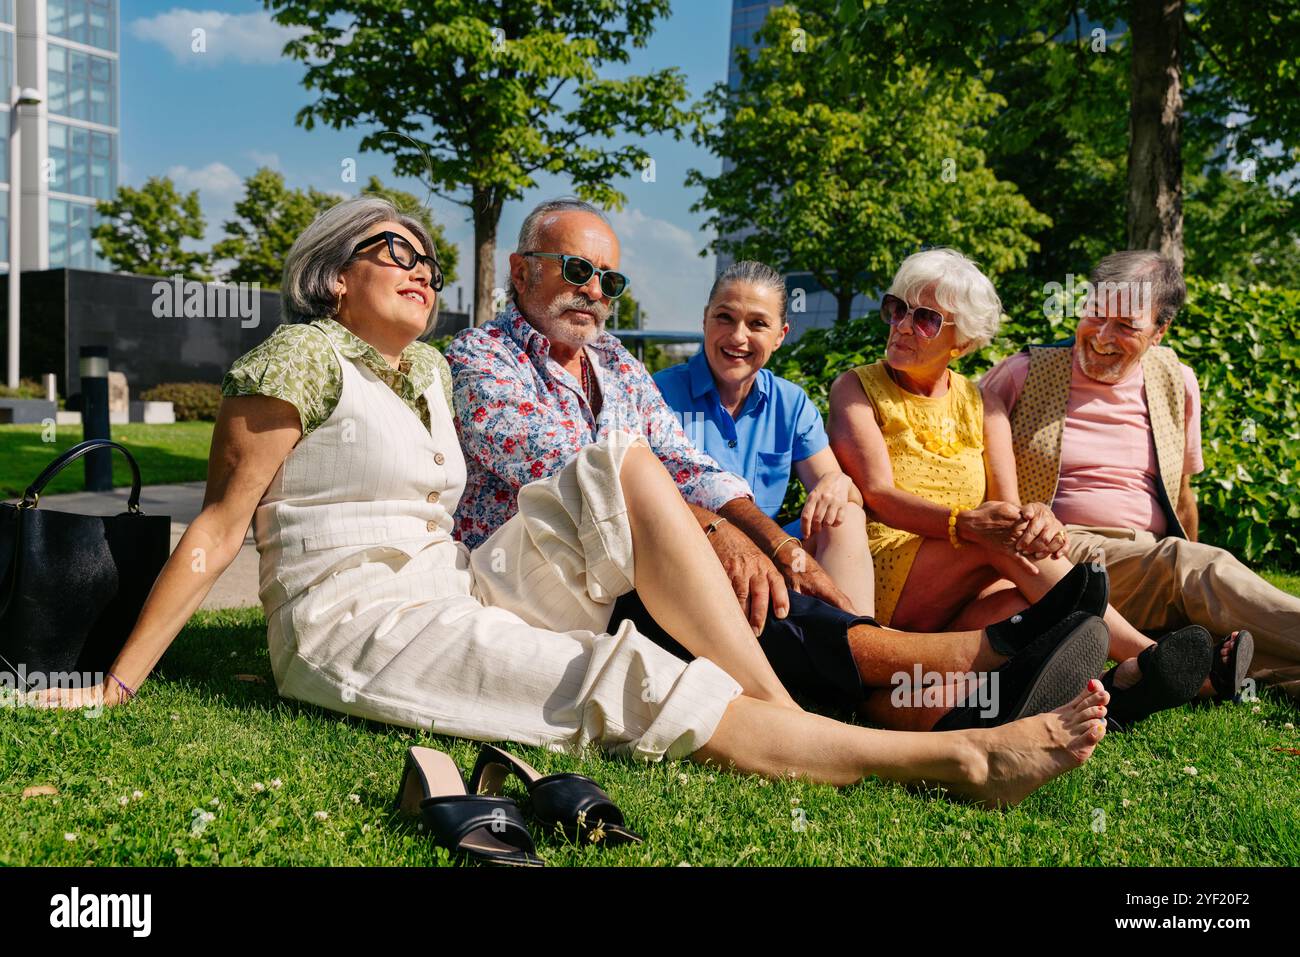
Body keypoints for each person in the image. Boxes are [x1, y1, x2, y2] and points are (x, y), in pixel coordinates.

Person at [33, 196, 1108, 807]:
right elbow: (221, 526)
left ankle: (868, 699)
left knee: (633, 469)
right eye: (390, 252)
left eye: (422, 253)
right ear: (329, 278)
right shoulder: (311, 359)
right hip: (356, 621)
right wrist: (121, 683)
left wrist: (762, 537)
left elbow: (662, 463)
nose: (417, 265)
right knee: (623, 670)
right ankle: (952, 746)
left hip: (465, 579)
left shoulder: (424, 378)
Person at [446, 198, 1111, 731]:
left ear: (779, 334)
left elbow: (687, 461)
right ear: (521, 268)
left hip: (641, 564)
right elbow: (579, 478)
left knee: (776, 588)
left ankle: (954, 700)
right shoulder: (481, 358)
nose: (593, 290)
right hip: (547, 568)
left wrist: (771, 542)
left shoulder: (617, 363)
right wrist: (717, 533)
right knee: (749, 597)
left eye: (608, 279)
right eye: (575, 269)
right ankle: (975, 655)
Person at [828, 247, 1246, 728]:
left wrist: (1035, 517)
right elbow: (878, 493)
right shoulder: (856, 387)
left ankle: (1111, 689)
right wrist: (969, 524)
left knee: (1037, 610)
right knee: (1007, 546)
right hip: (887, 570)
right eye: (896, 308)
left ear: (960, 343)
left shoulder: (982, 402)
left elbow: (1008, 507)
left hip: (965, 585)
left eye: (924, 319)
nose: (901, 325)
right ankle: (1156, 659)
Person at [980, 249, 1299, 701]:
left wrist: (1191, 563)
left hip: (1150, 561)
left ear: (1159, 331)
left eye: (1127, 326)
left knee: (1217, 613)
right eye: (1095, 315)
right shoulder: (1023, 373)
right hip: (1061, 551)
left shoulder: (1177, 380)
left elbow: (1181, 492)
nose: (1102, 337)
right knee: (1196, 566)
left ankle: (1267, 680)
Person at [653, 260, 874, 616]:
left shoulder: (791, 403)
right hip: (694, 555)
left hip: (778, 556)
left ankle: (857, 635)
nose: (738, 337)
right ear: (705, 320)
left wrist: (838, 482)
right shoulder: (657, 394)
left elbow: (847, 496)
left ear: (780, 335)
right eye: (725, 317)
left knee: (844, 515)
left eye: (757, 324)